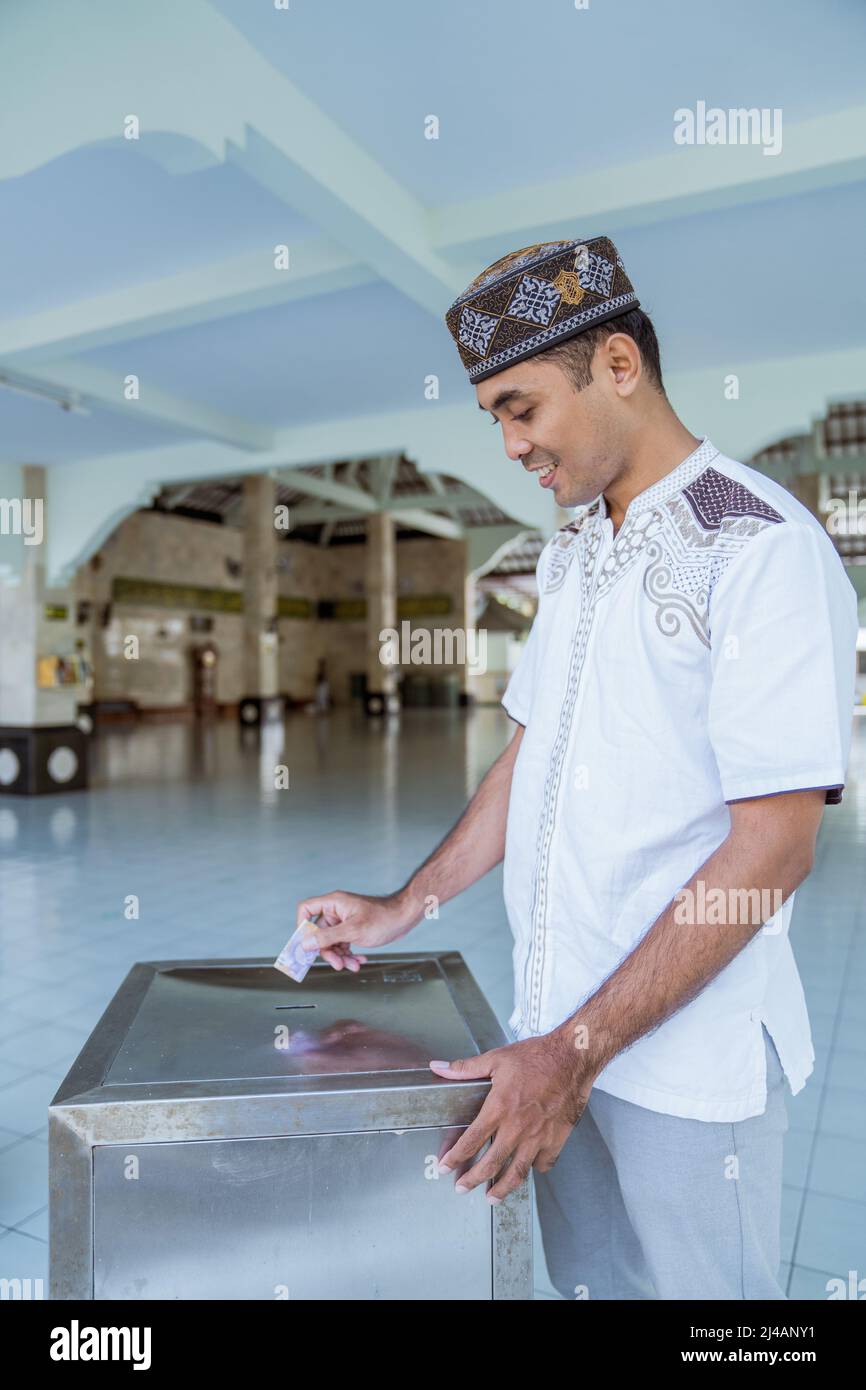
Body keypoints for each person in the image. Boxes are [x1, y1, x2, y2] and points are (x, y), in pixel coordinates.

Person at [295, 236, 859, 1300]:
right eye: (493, 419)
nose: (509, 444)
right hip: (546, 1035)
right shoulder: (570, 551)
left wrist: (578, 1050)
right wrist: (400, 905)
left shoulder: (758, 547)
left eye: (521, 407)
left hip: (678, 1065)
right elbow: (531, 749)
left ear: (614, 366)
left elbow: (774, 848)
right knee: (591, 1291)